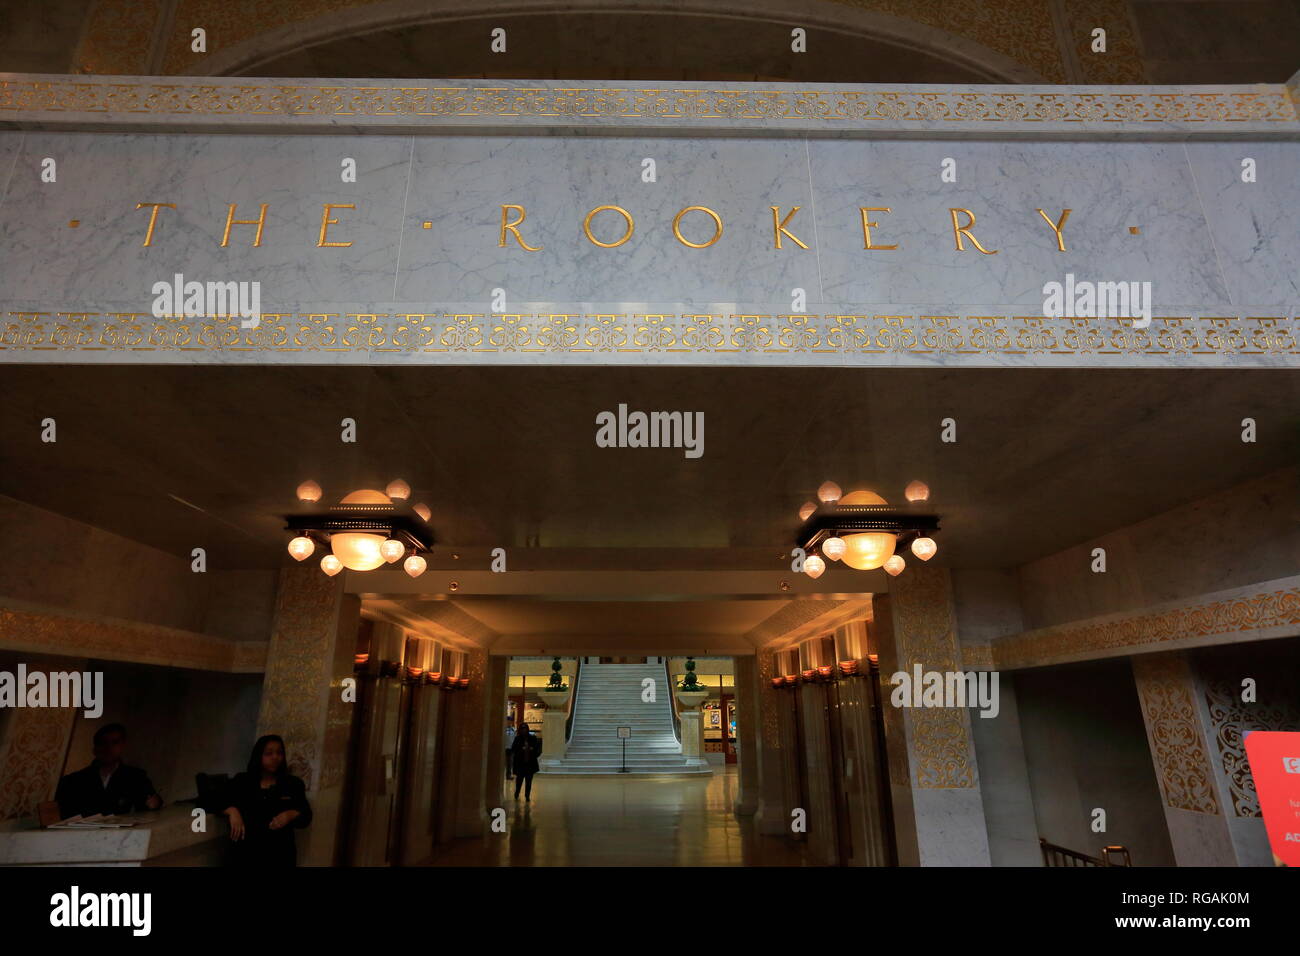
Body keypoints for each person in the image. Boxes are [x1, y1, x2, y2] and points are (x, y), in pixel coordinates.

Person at [216, 734, 312, 867]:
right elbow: (211, 799)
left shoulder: (293, 784)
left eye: (279, 753)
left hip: (279, 854)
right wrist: (231, 810)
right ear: (258, 755)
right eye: (268, 753)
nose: (275, 757)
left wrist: (290, 814)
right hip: (244, 853)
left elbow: (306, 815)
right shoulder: (242, 781)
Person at [55, 723, 162, 819]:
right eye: (103, 743)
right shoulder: (73, 781)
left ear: (122, 746)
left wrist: (154, 803)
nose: (108, 747)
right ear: (95, 749)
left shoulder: (136, 777)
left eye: (114, 742)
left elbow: (150, 804)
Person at [509, 723, 542, 801]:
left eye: (525, 729)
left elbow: (538, 750)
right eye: (522, 729)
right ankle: (517, 792)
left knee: (529, 781)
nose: (524, 730)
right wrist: (521, 750)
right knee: (519, 780)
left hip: (530, 764)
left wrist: (532, 751)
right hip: (520, 764)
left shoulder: (533, 738)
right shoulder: (517, 739)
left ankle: (527, 796)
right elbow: (514, 749)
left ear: (527, 729)